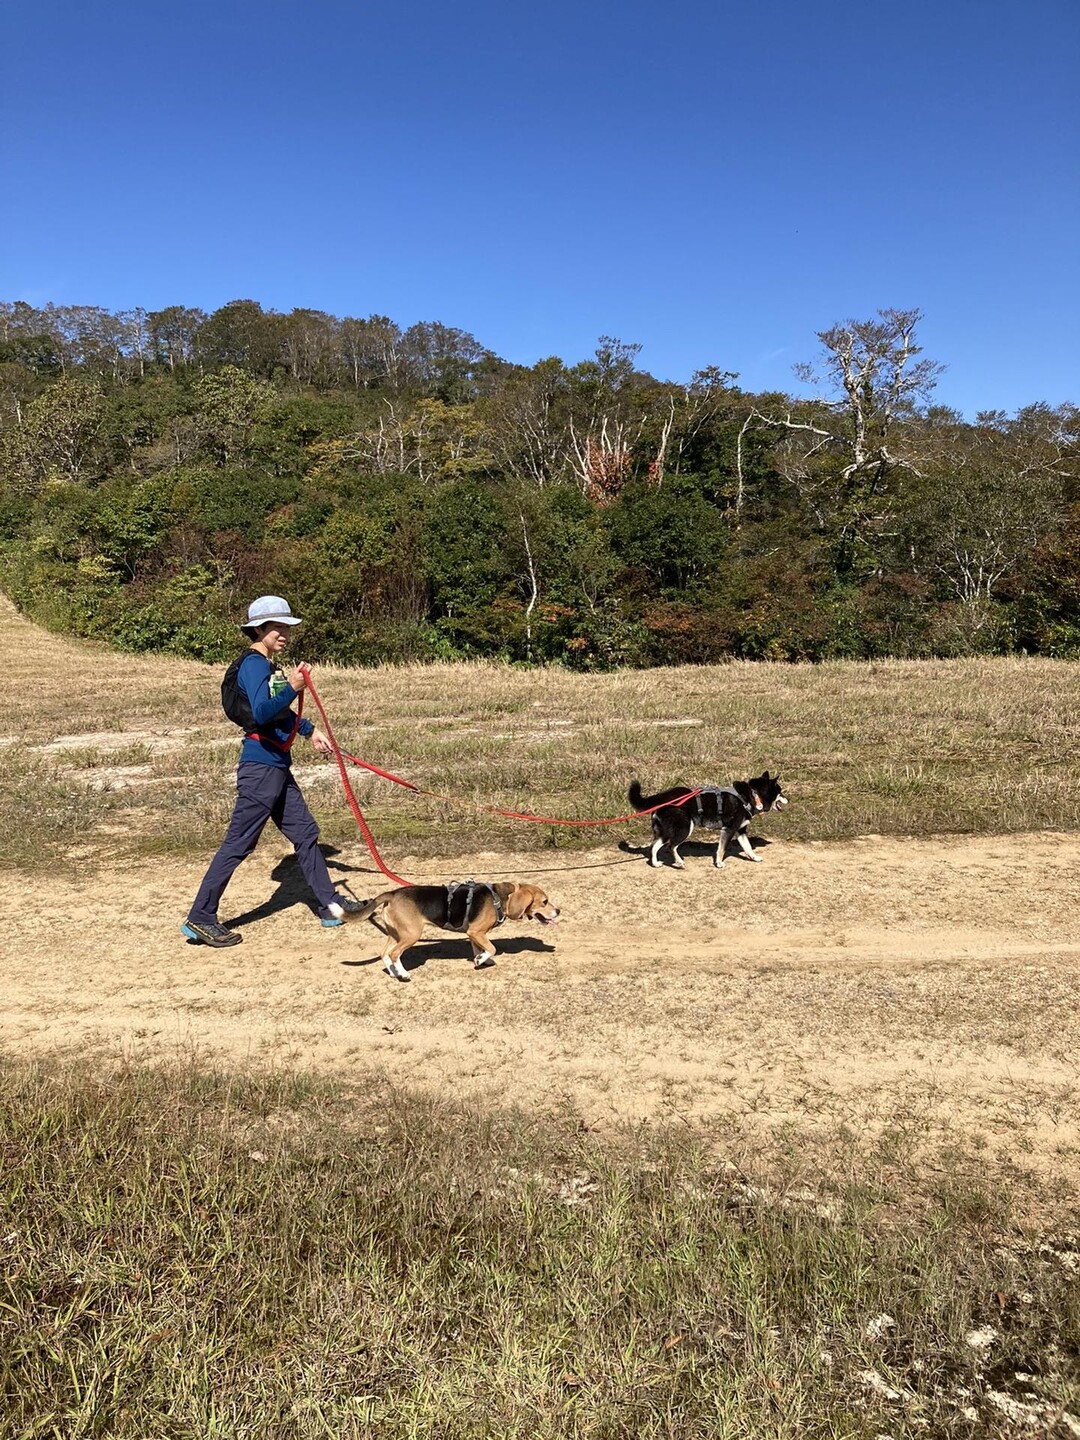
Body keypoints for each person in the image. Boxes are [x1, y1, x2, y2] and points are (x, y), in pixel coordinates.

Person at [181, 595, 363, 947]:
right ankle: (201, 917)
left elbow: (278, 713)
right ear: (259, 629)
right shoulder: (253, 664)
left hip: (276, 765)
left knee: (306, 833)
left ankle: (330, 905)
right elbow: (263, 713)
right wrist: (294, 688)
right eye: (278, 627)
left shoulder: (267, 667)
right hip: (260, 766)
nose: (285, 634)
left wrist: (311, 732)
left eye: (286, 627)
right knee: (239, 843)